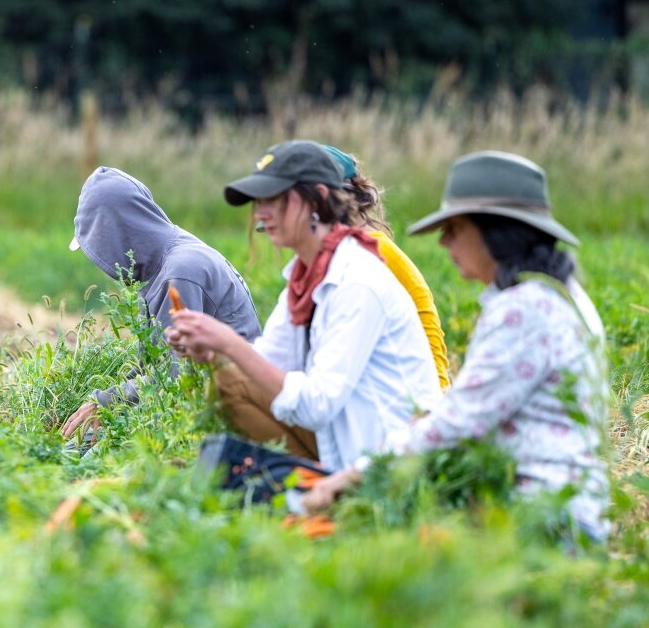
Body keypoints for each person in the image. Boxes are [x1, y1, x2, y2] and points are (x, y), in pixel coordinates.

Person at [300, 152, 610, 543]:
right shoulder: (561, 294)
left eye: (454, 228)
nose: (444, 241)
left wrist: (353, 474)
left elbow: (458, 423)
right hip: (563, 508)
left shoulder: (524, 310)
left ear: (494, 232)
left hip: (544, 520)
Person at [166, 141, 440, 472]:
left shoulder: (357, 281)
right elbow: (267, 362)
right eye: (259, 202)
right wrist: (211, 348)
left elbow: (317, 404)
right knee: (228, 379)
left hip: (395, 458)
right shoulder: (305, 276)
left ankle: (324, 483)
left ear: (318, 198)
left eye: (273, 199)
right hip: (344, 434)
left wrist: (229, 343)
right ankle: (312, 481)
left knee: (236, 378)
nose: (261, 213)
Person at [58, 166, 261, 441]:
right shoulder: (167, 257)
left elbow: (174, 382)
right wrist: (113, 395)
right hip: (208, 400)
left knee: (82, 451)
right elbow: (159, 363)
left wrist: (106, 402)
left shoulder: (179, 274)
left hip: (233, 417)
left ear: (116, 233)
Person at [323, 144, 451, 389]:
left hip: (420, 387)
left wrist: (437, 390)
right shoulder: (346, 248)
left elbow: (425, 323)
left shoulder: (372, 249)